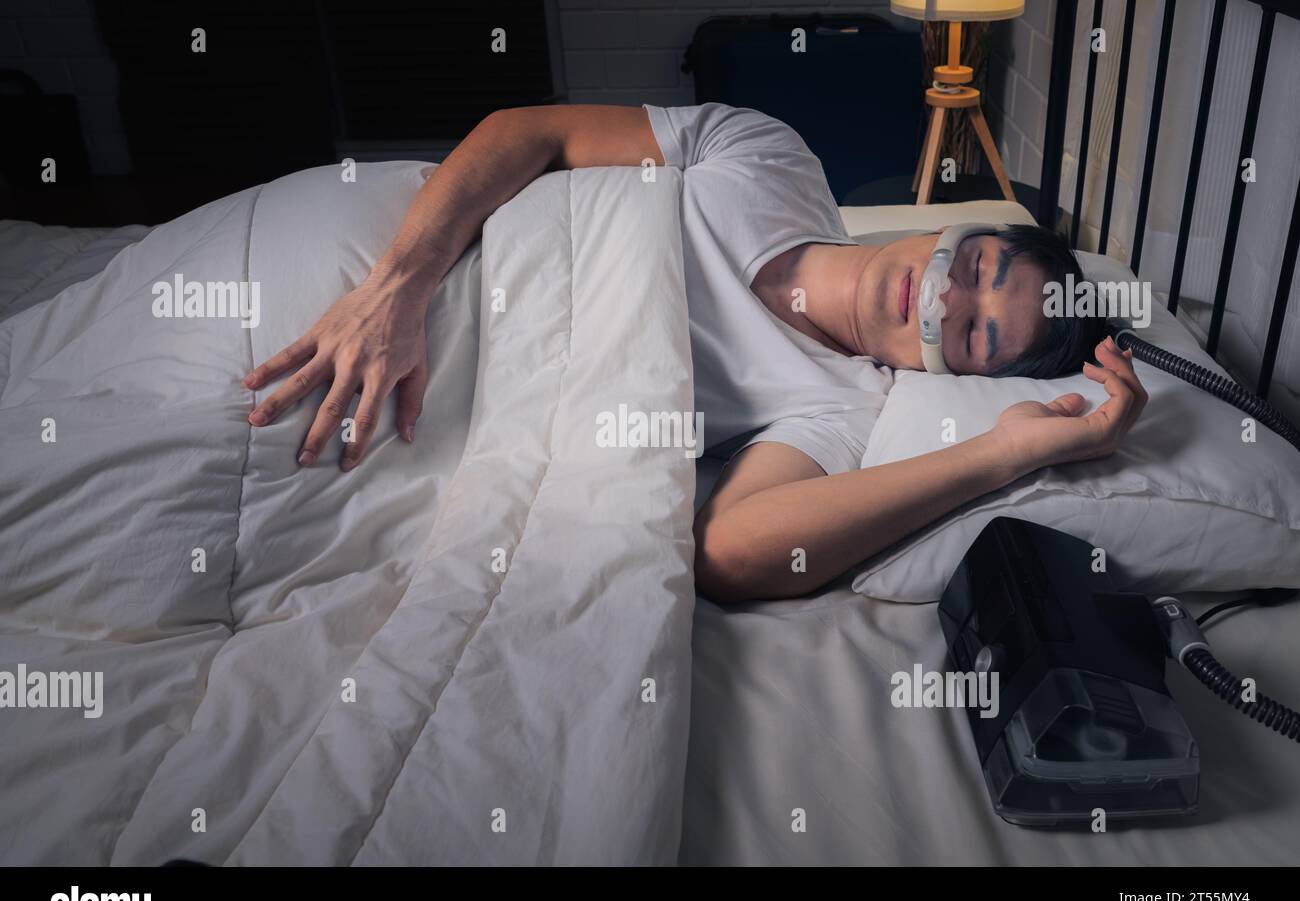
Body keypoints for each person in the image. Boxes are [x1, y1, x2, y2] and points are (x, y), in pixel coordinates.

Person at [240, 103, 1147, 603]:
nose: (950, 295)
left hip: (428, 409)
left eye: (978, 334)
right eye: (981, 265)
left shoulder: (839, 406)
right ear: (956, 227)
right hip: (381, 263)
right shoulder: (767, 156)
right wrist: (396, 285)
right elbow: (530, 134)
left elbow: (733, 553)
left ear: (958, 375)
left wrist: (1002, 453)